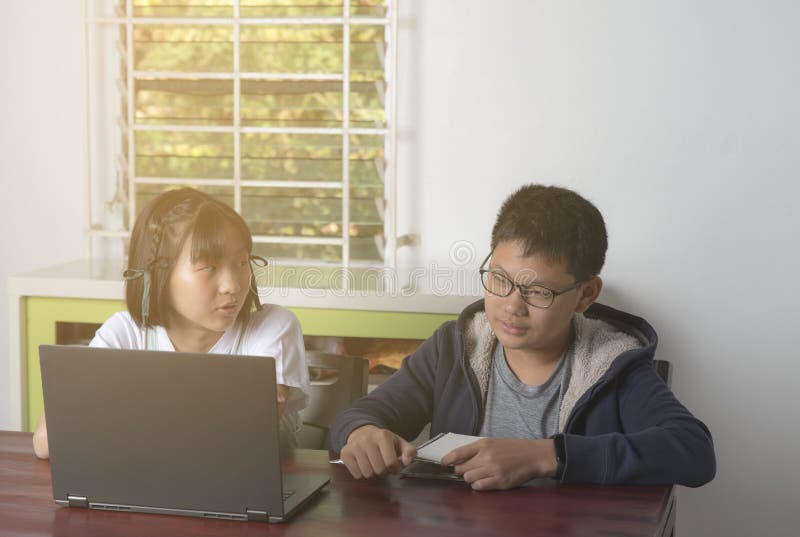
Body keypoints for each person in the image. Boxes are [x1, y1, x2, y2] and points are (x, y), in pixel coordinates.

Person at [331, 184, 716, 490]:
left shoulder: (613, 364)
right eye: (500, 279)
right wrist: (362, 432)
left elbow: (693, 451)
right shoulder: (457, 346)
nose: (511, 306)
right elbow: (361, 416)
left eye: (538, 292)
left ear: (586, 295)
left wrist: (545, 456)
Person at [33, 188, 310, 459]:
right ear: (157, 274)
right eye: (209, 267)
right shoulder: (126, 333)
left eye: (241, 262)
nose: (232, 285)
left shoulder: (273, 327)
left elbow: (243, 441)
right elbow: (47, 442)